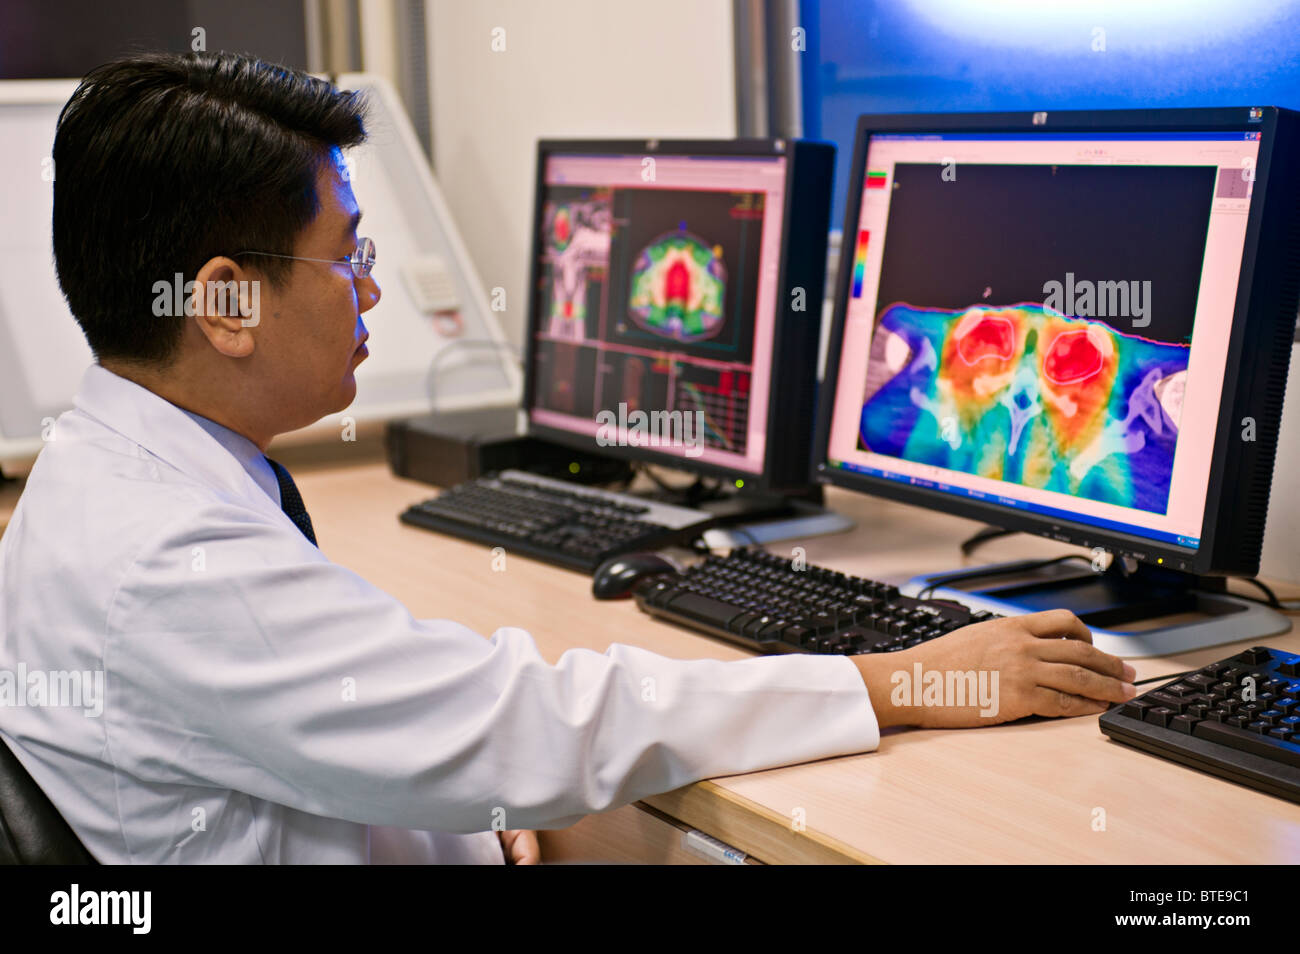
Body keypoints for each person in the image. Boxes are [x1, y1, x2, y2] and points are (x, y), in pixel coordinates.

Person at [0, 51, 1137, 865]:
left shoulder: (105, 477)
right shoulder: (168, 558)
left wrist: (466, 814)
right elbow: (516, 725)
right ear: (226, 304)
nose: (372, 290)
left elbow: (396, 724)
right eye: (348, 255)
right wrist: (895, 680)